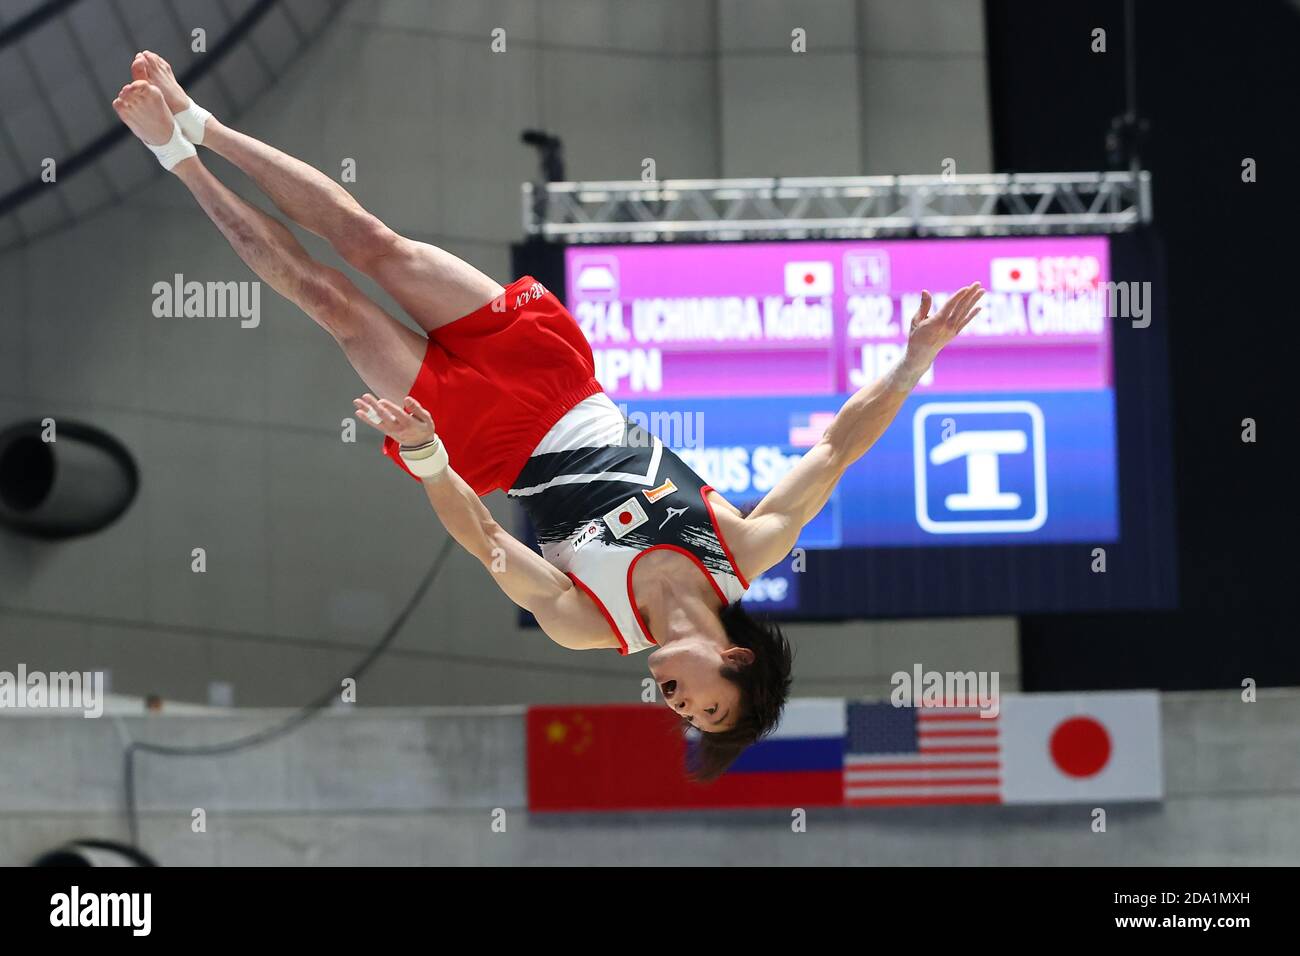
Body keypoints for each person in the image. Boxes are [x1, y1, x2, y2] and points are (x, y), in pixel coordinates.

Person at [112, 51, 985, 778]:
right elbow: (836, 448)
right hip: (552, 377)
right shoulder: (741, 549)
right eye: (704, 704)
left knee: (328, 297)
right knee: (373, 243)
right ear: (738, 658)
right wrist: (914, 362)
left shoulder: (587, 626)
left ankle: (173, 157)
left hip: (474, 438)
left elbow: (486, 543)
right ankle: (202, 121)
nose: (675, 703)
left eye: (684, 715)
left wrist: (427, 460)